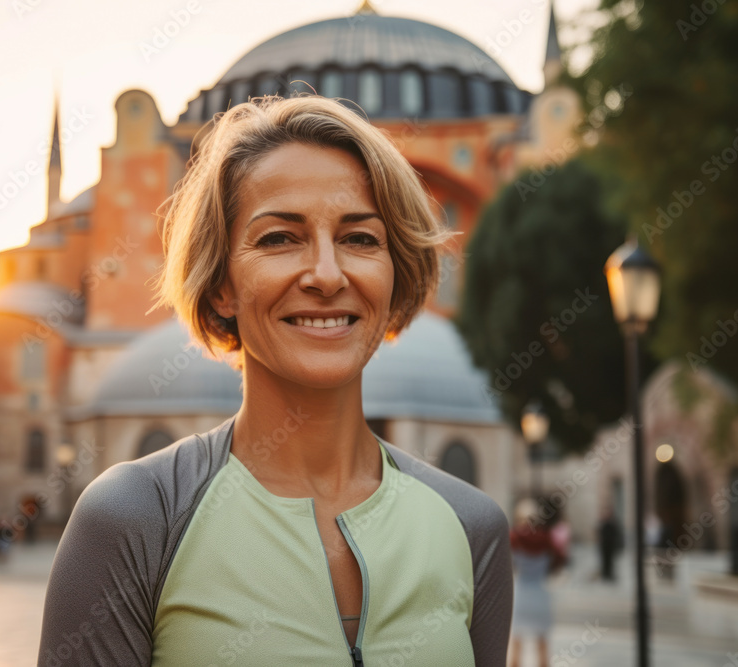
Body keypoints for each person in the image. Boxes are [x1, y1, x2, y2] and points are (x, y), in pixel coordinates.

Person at [38, 94, 514, 666]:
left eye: (360, 238)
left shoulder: (470, 528)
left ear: (396, 275)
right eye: (279, 238)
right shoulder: (137, 518)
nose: (326, 274)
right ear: (222, 285)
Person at [509, 498, 565, 667]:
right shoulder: (547, 538)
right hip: (540, 594)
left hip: (521, 594)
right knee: (542, 646)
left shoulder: (514, 537)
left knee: (516, 646)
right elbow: (559, 561)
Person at [598, 507, 620, 582]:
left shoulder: (612, 523)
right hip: (605, 546)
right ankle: (605, 574)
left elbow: (615, 535)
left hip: (610, 546)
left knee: (610, 561)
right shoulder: (604, 523)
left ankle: (609, 574)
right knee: (605, 561)